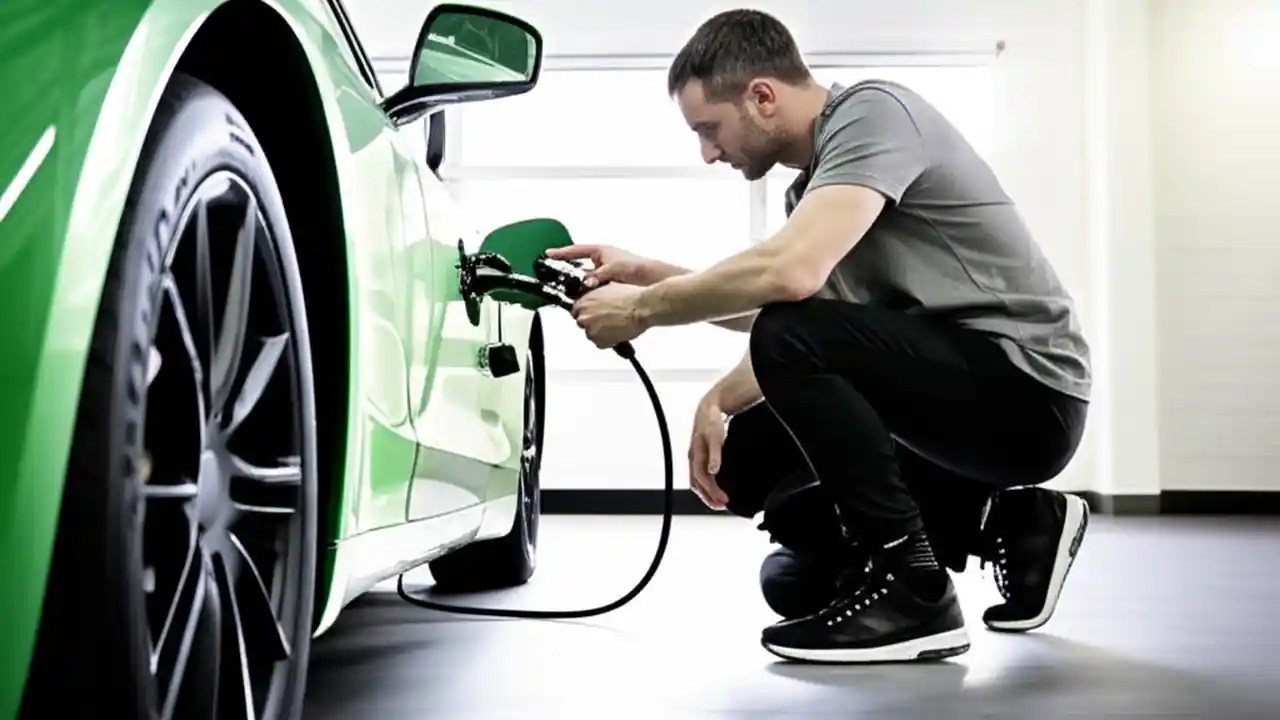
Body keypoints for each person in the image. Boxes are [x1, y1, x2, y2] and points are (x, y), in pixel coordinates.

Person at [547, 8, 1091, 664]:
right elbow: (805, 321)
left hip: (1028, 393)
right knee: (786, 558)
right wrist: (657, 290)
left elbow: (790, 286)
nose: (708, 152)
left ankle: (915, 592)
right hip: (960, 392)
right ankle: (1011, 523)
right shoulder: (820, 188)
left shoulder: (875, 116)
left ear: (762, 97)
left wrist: (642, 310)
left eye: (709, 130)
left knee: (787, 337)